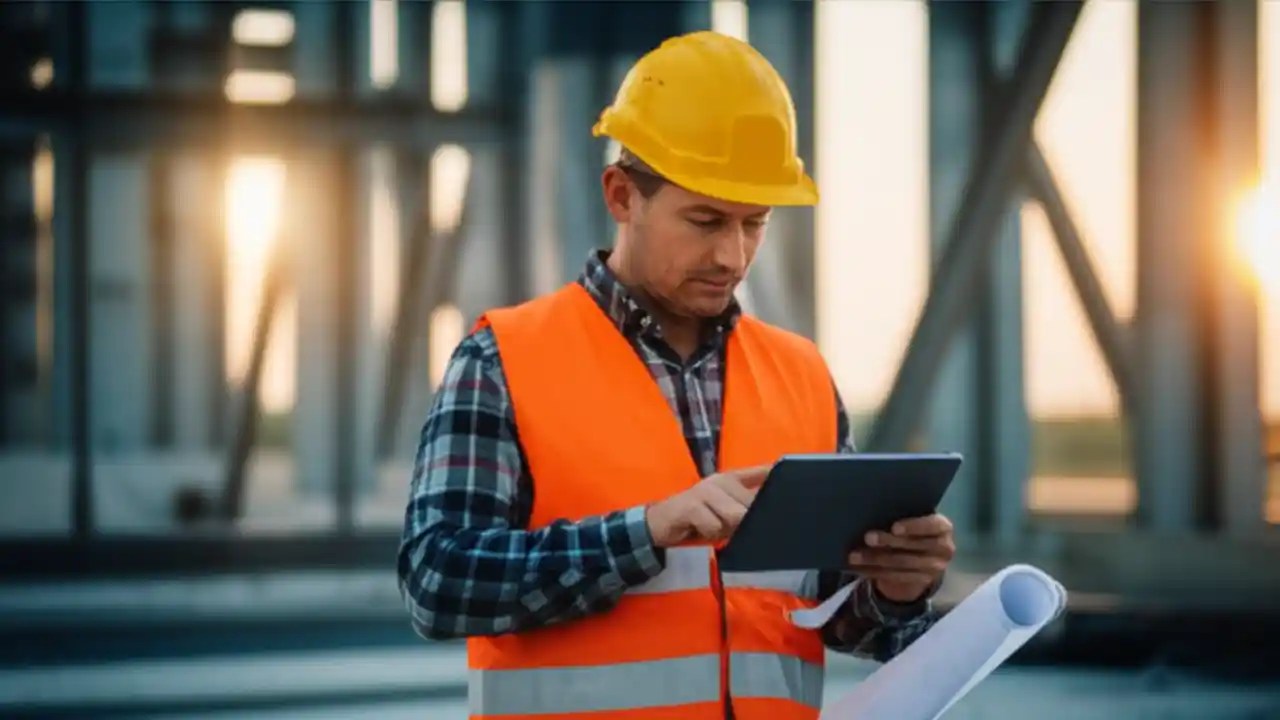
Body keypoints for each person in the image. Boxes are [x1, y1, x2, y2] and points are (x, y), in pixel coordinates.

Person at [398, 30, 956, 720]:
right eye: (705, 219)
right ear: (622, 194)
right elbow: (437, 583)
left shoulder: (801, 375)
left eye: (755, 223)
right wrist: (644, 531)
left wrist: (896, 591)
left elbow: (830, 614)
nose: (732, 254)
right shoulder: (502, 361)